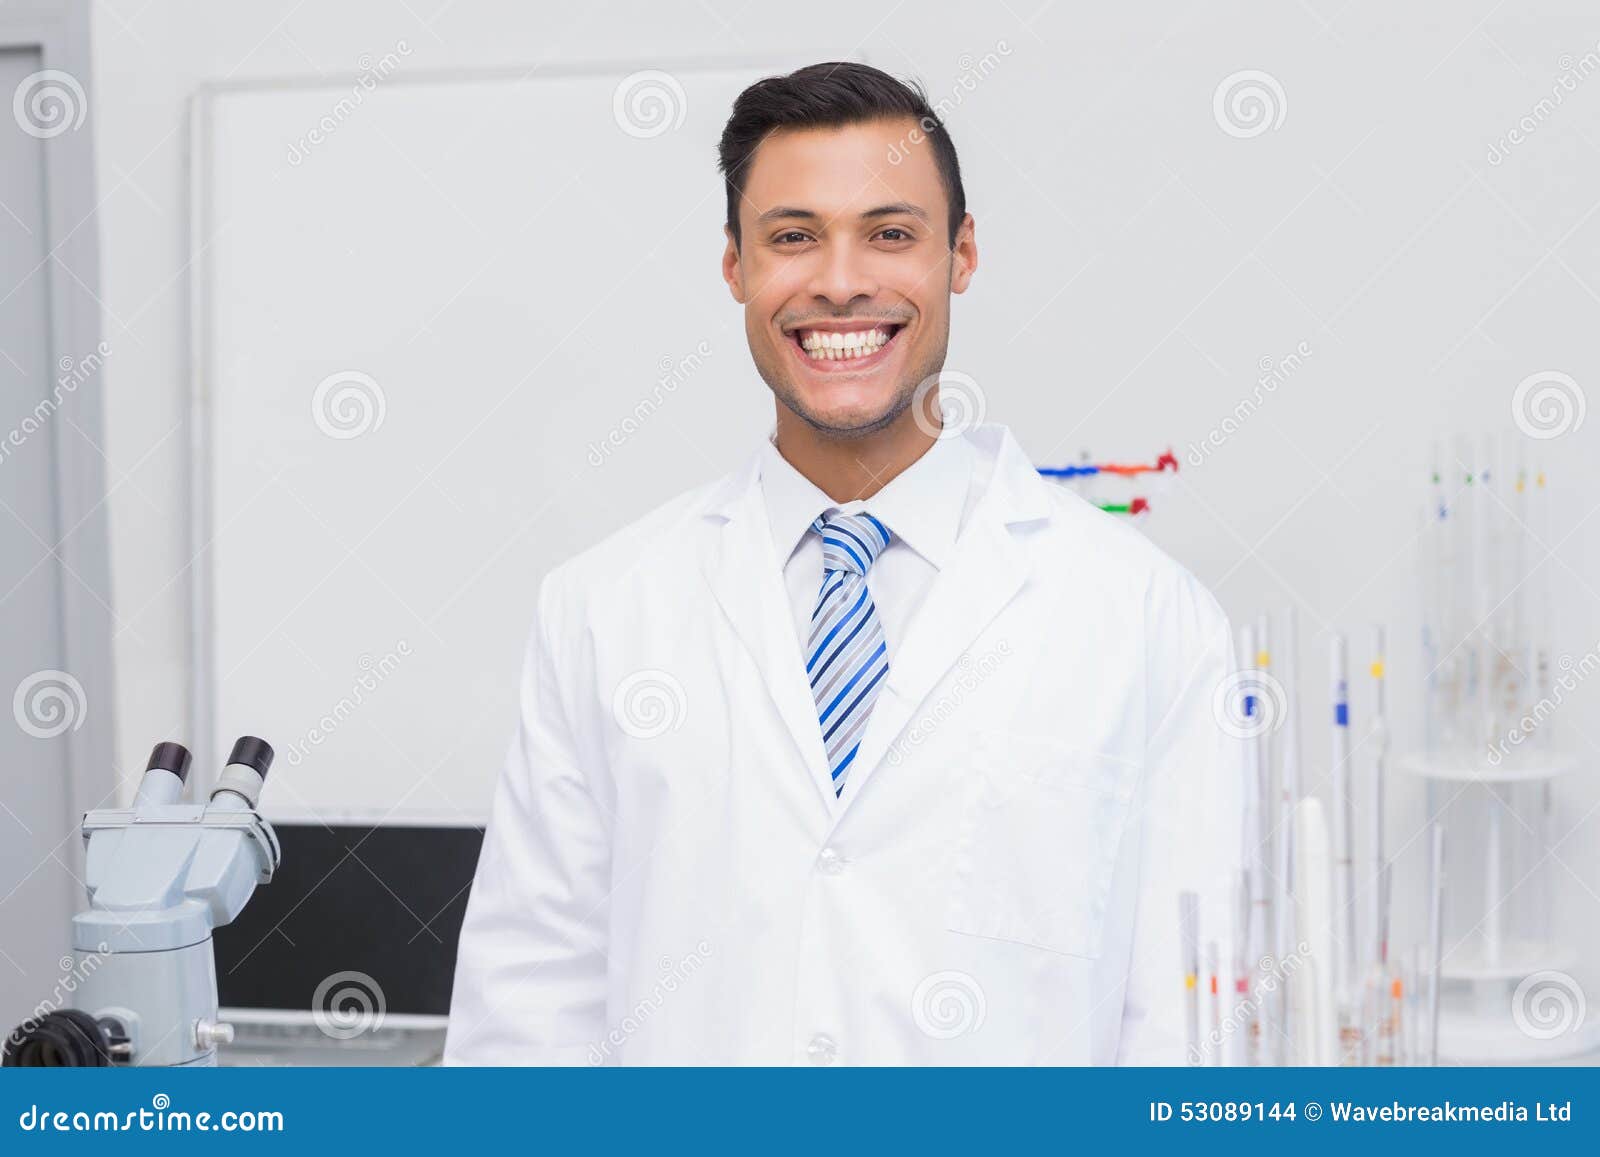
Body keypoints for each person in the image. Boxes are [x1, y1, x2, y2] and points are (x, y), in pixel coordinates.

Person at [445, 61, 1241, 1065]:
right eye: (792, 237)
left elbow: (1190, 1039)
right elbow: (529, 1017)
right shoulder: (603, 609)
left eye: (890, 232)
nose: (840, 280)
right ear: (734, 266)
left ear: (962, 253)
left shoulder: (1147, 618)